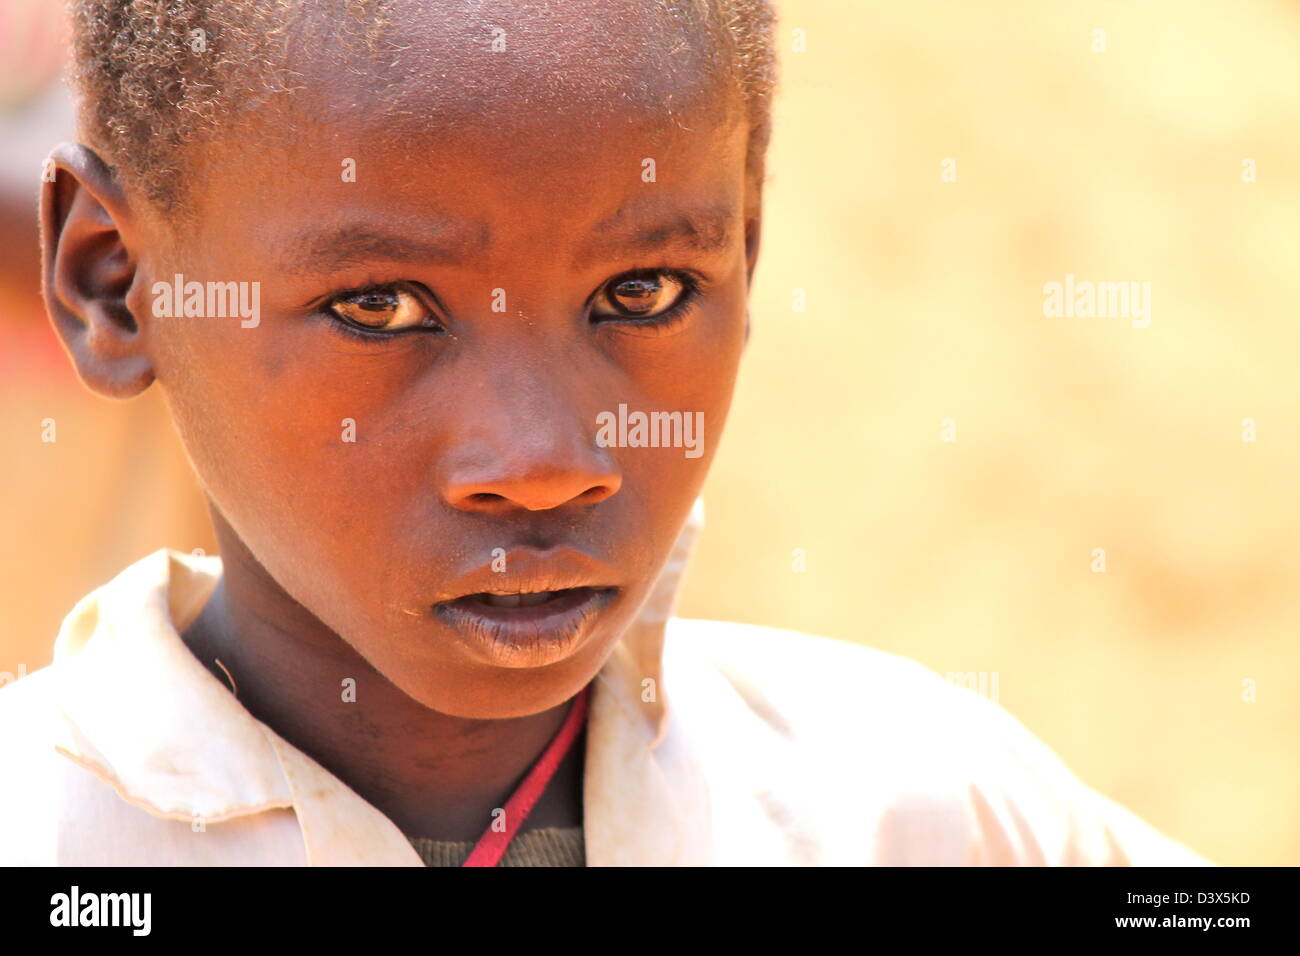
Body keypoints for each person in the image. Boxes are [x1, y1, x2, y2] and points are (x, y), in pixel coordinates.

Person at [0, 0, 1210, 866]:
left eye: (642, 293)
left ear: (747, 249)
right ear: (111, 283)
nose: (542, 457)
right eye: (380, 306)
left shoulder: (909, 806)